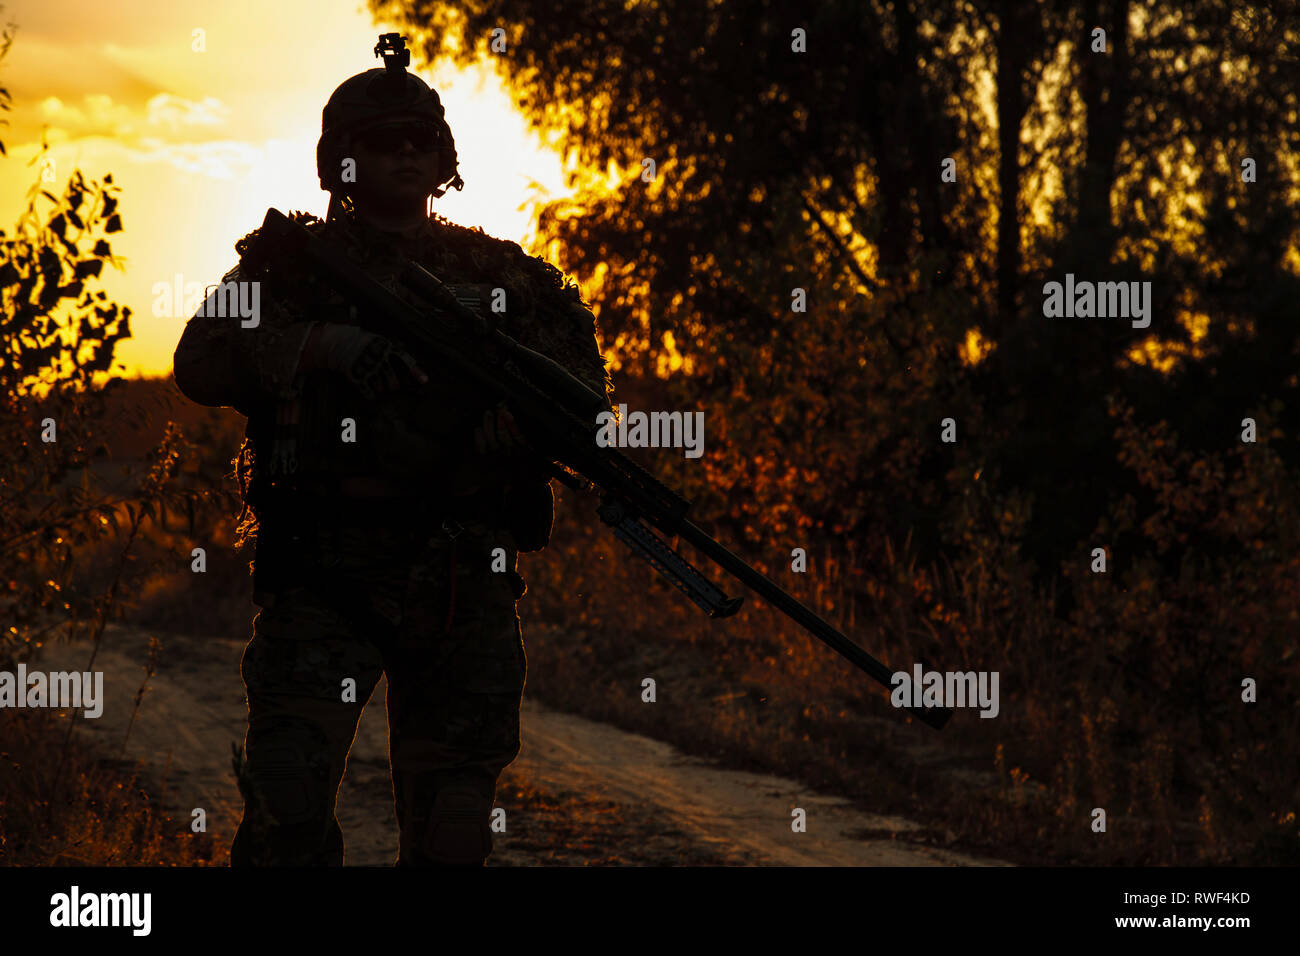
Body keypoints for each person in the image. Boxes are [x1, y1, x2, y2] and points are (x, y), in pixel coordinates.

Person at [172, 34, 611, 866]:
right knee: (287, 818)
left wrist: (522, 430)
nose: (406, 155)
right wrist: (320, 346)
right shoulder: (291, 265)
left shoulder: (502, 274)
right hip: (323, 569)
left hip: (458, 573)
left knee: (451, 825)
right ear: (341, 158)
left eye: (421, 140)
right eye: (382, 141)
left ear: (443, 155)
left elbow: (584, 401)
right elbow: (200, 363)